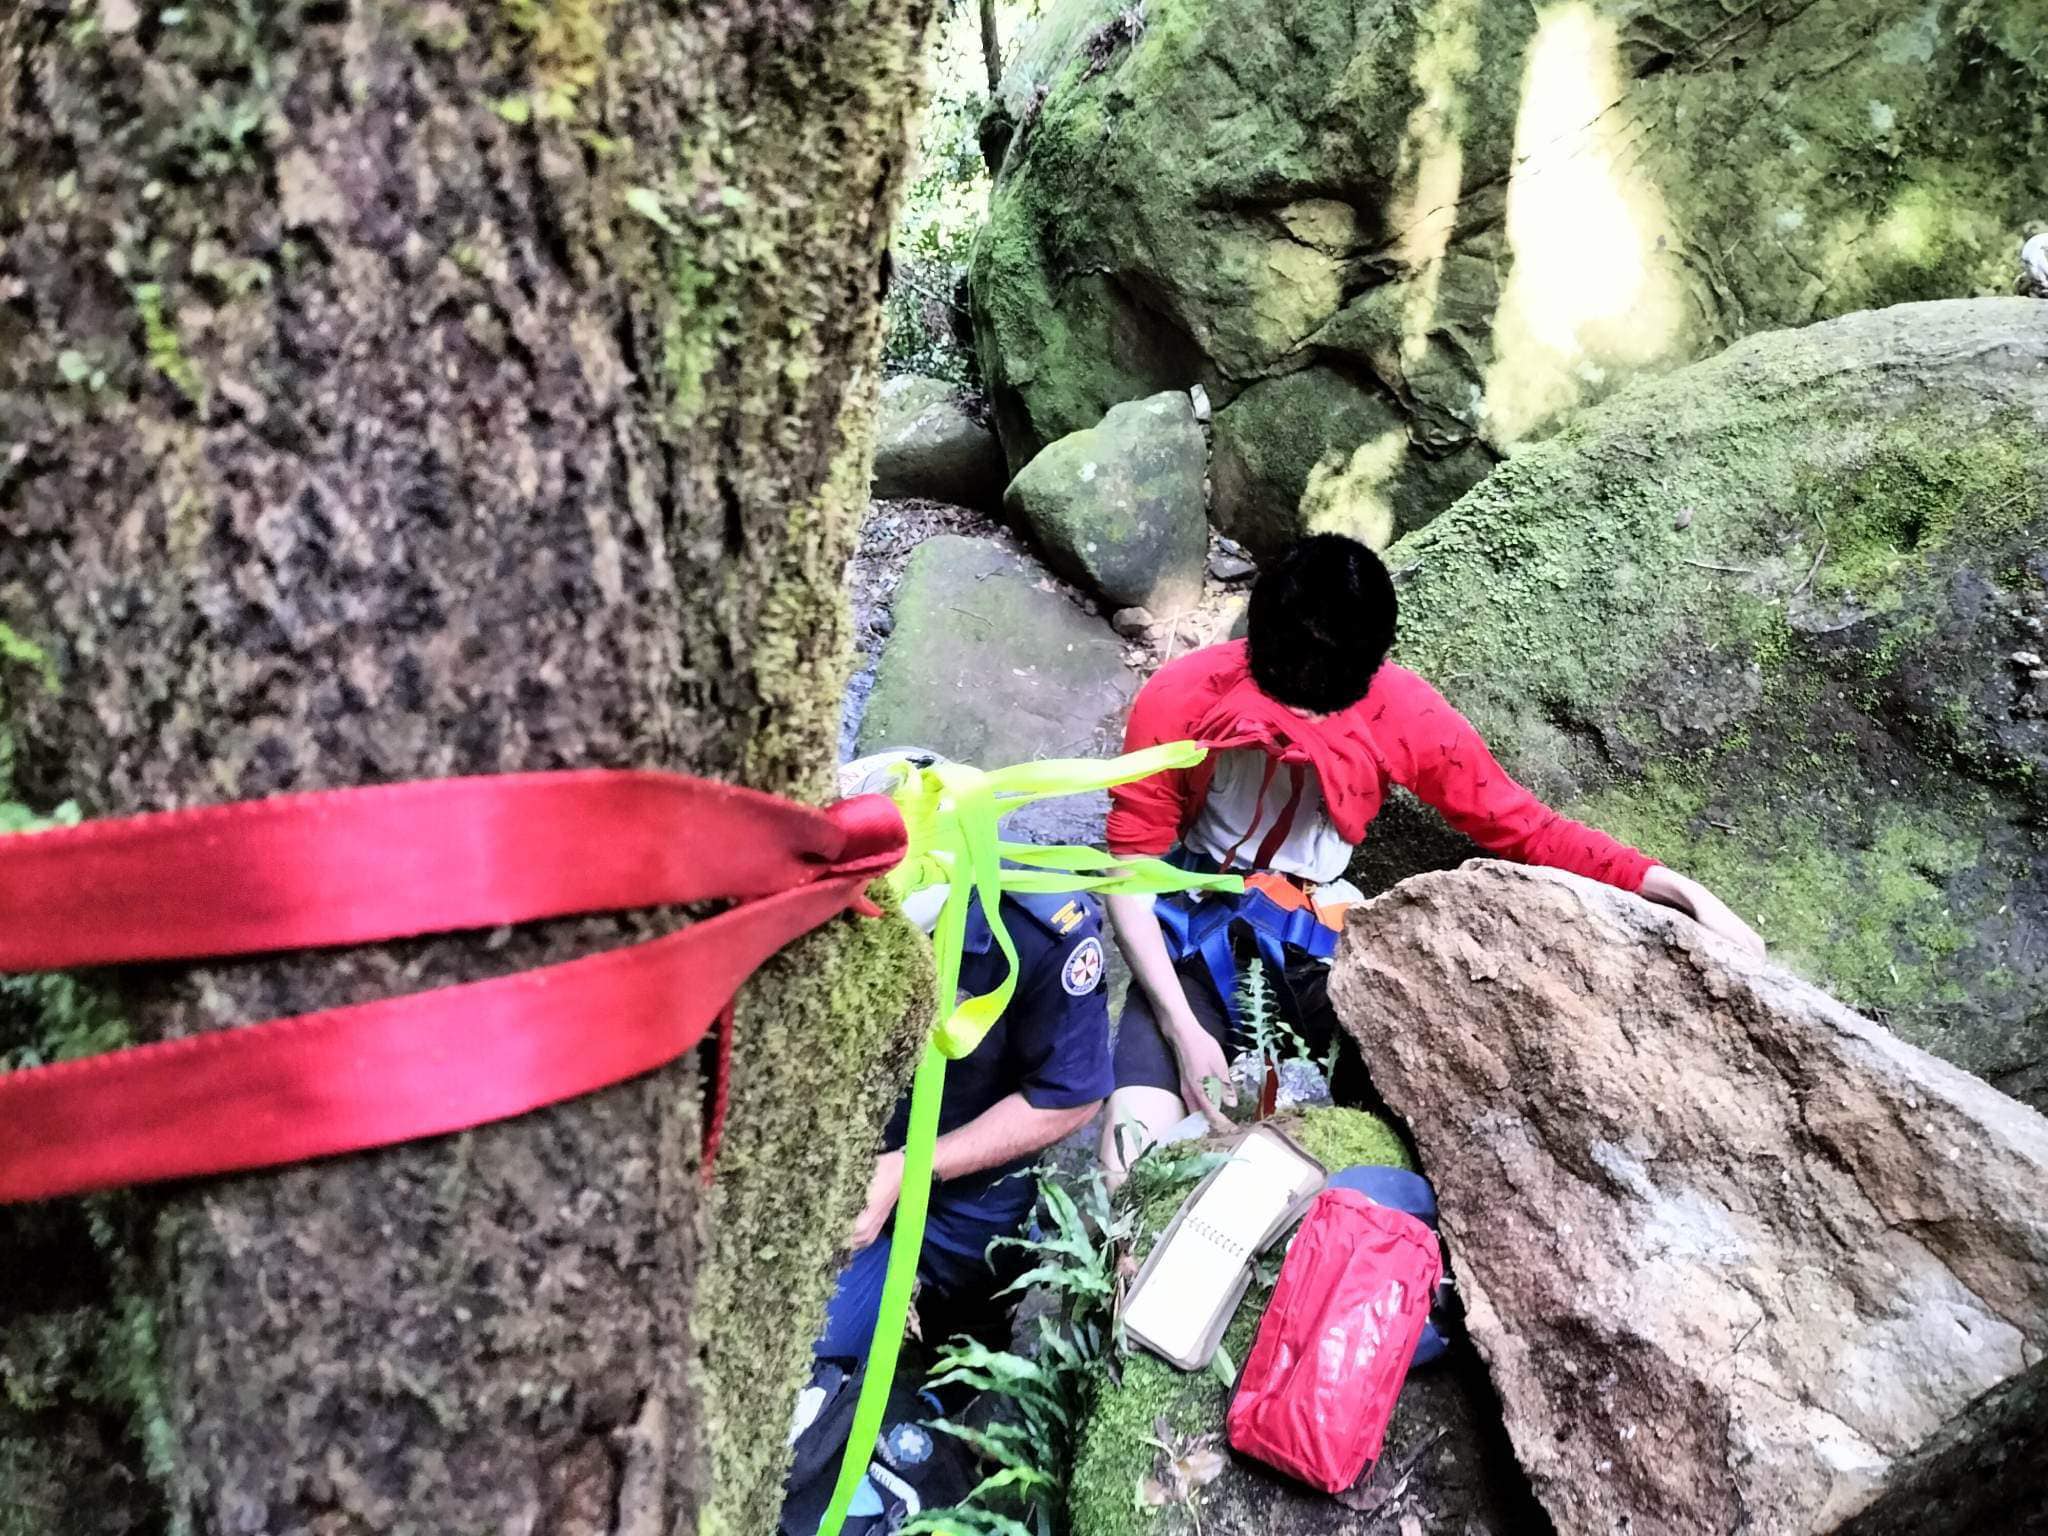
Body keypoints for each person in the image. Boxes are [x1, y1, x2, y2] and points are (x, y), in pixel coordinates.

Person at [1098, 533, 1765, 1177]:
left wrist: (1673, 887)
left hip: (1320, 946)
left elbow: (1523, 828)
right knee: (1127, 1164)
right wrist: (1184, 1033)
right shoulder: (1183, 697)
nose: (1311, 718)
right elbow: (1130, 870)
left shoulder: (1403, 714)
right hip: (1192, 931)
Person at [813, 749, 1115, 1366]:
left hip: (967, 1179)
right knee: (827, 1336)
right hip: (844, 1149)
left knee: (970, 1316)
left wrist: (909, 1169)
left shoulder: (1043, 930)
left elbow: (1071, 1095)